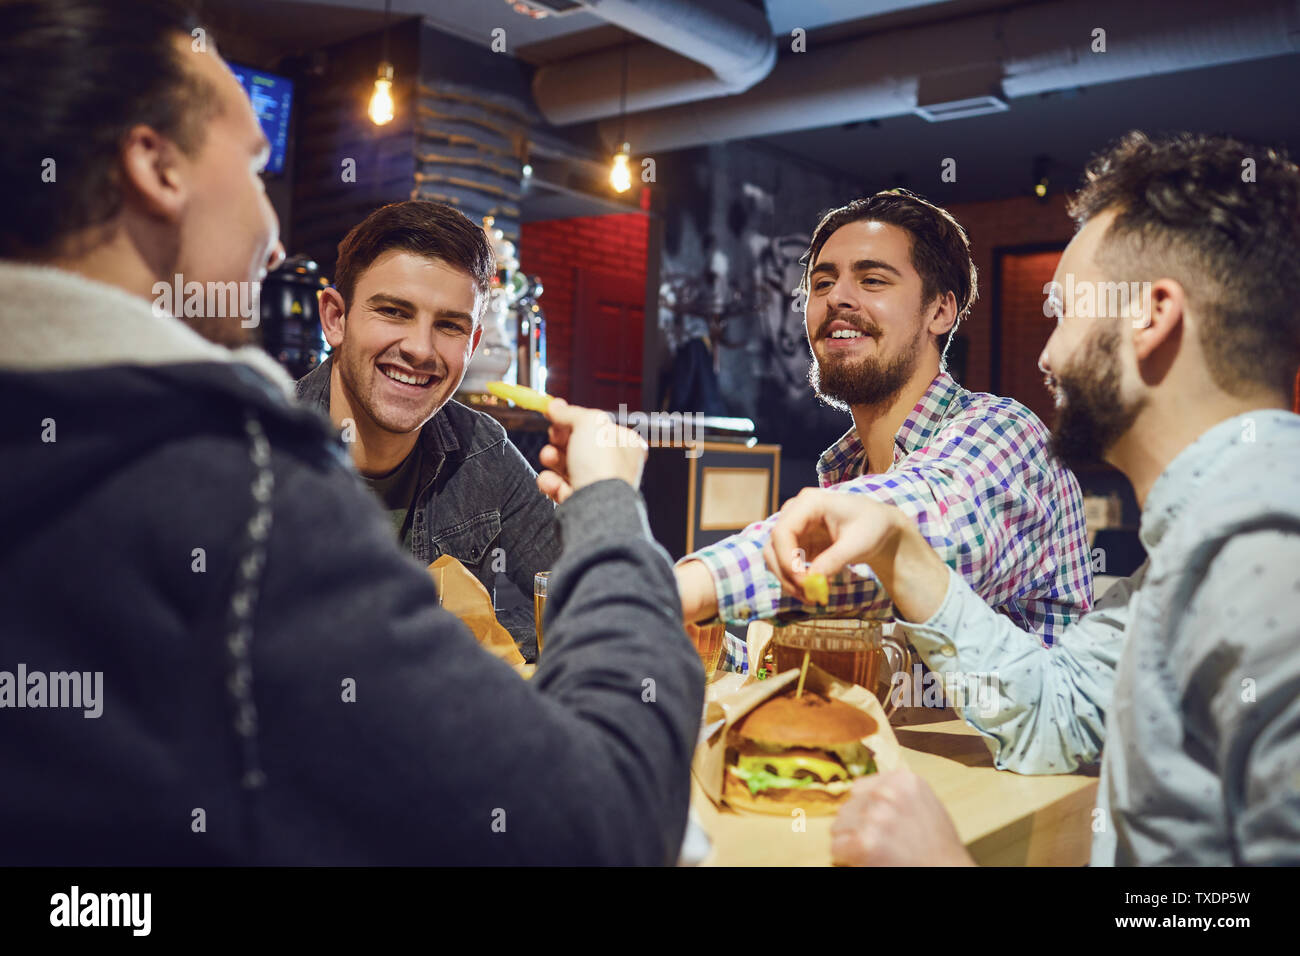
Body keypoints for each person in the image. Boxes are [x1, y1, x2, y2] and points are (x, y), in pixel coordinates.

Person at [0, 0, 703, 865]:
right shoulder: (240, 484)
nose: (270, 232)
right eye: (257, 169)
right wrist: (607, 506)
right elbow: (610, 822)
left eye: (450, 325)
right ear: (156, 165)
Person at [766, 132, 1300, 866]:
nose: (1047, 357)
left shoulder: (1269, 562)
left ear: (1151, 318)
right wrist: (902, 554)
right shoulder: (1190, 563)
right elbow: (1058, 714)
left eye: (1065, 313)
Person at [674, 191, 1094, 671]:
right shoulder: (849, 472)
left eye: (872, 280)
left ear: (941, 311)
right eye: (823, 282)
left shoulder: (1005, 436)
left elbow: (926, 534)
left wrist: (684, 589)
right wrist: (697, 644)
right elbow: (826, 678)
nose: (837, 298)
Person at [297, 201, 560, 659]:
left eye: (449, 326)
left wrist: (448, 650)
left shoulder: (483, 451)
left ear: (474, 342)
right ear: (335, 319)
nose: (421, 349)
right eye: (395, 312)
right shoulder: (251, 450)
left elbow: (592, 599)